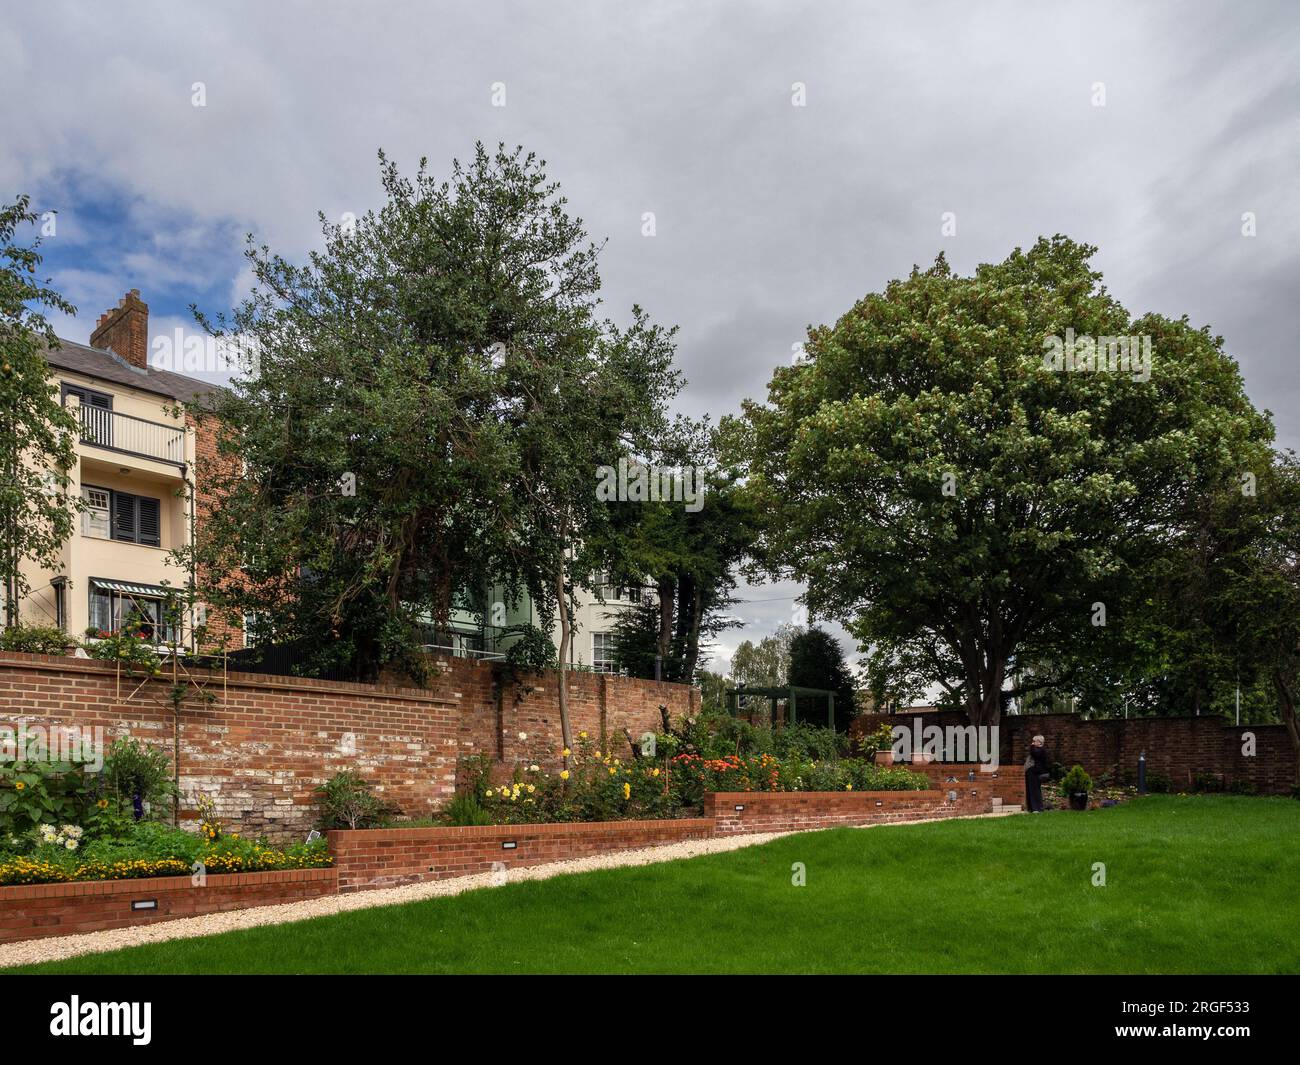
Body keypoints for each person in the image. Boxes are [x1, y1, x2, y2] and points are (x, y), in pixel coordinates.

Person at [1024, 734, 1050, 813]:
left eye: (1034, 741)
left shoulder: (1040, 750)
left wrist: (1032, 747)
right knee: (1031, 790)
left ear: (1039, 742)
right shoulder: (1037, 749)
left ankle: (1036, 808)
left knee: (1034, 790)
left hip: (1035, 772)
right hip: (1031, 772)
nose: (1032, 743)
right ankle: (1032, 808)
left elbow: (1034, 754)